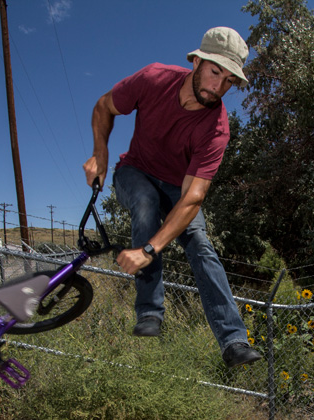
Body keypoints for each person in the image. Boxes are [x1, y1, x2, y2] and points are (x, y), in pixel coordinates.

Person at [83, 27, 262, 368]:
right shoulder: (153, 79)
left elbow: (193, 197)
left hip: (178, 188)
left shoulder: (217, 128)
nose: (218, 86)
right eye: (214, 72)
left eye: (228, 81)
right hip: (134, 172)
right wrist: (100, 153)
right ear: (196, 61)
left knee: (200, 242)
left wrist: (147, 250)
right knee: (146, 204)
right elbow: (104, 106)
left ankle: (233, 340)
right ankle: (149, 312)